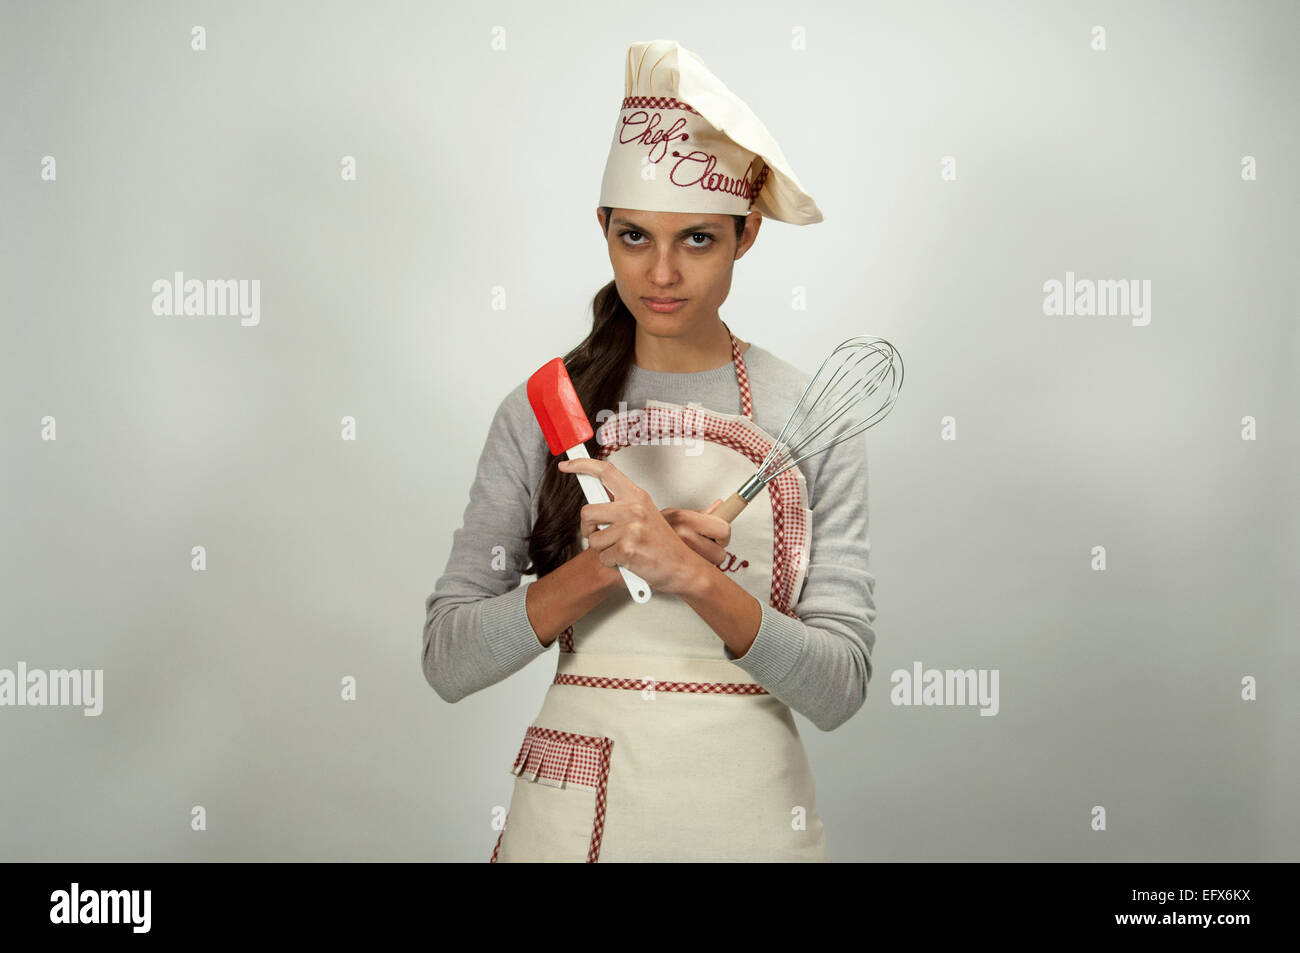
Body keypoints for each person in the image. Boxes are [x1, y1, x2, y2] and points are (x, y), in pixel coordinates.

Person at [423, 39, 878, 862]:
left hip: (748, 821)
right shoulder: (542, 410)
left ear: (746, 238)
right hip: (574, 825)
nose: (661, 274)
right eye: (634, 237)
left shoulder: (811, 415)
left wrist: (687, 572)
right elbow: (448, 660)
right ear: (604, 227)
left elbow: (839, 686)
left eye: (697, 241)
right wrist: (602, 566)